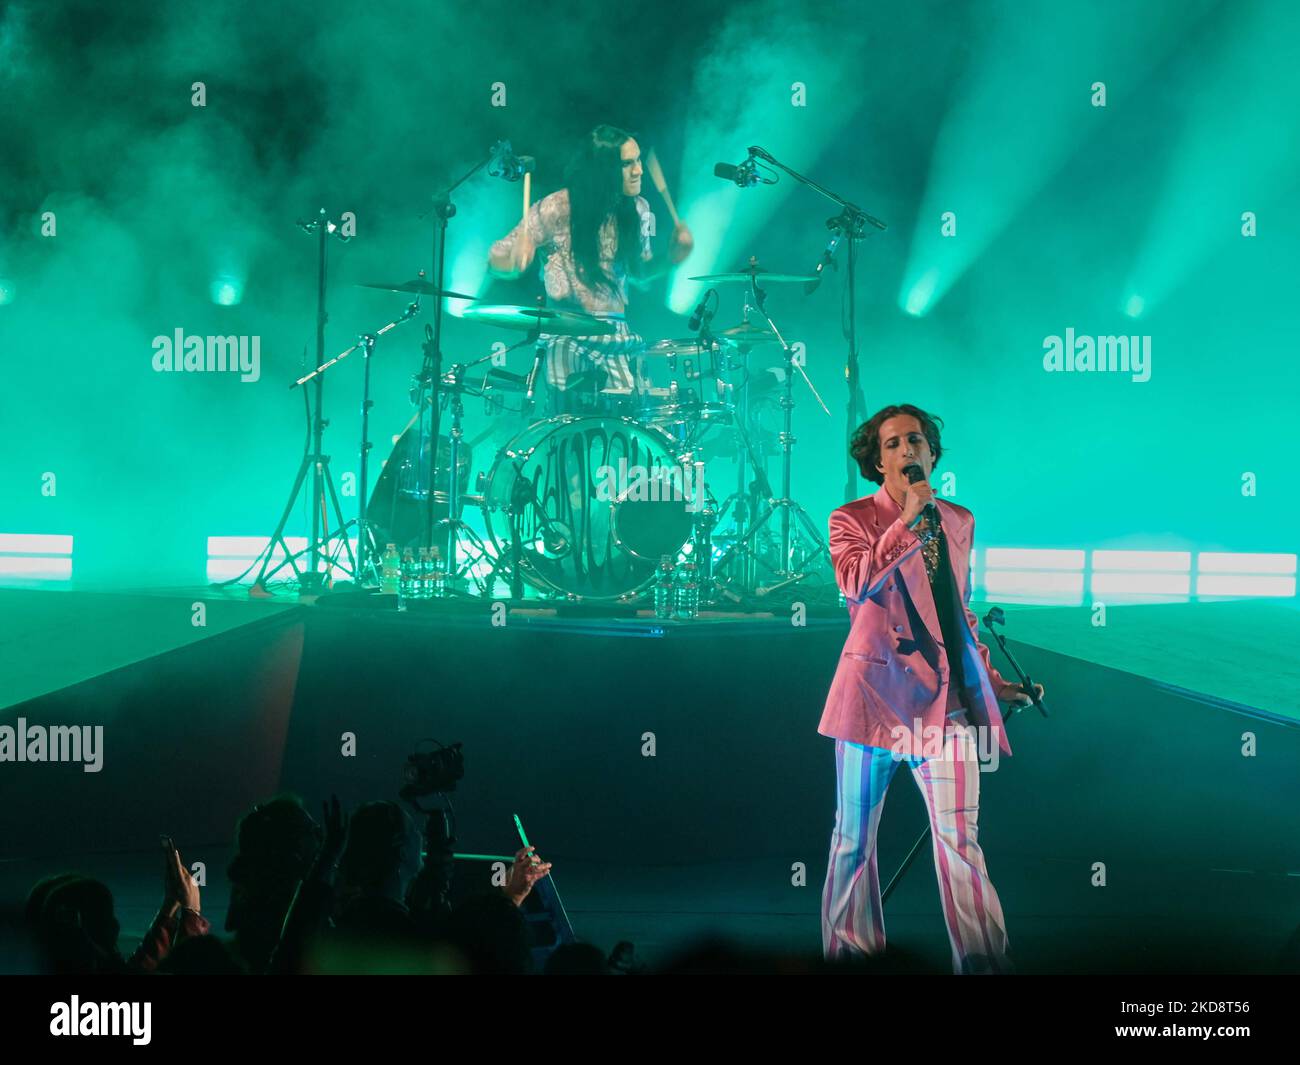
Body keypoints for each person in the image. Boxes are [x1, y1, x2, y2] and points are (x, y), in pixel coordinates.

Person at [818, 403, 1044, 975]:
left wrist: (995, 684)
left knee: (960, 844)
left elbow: (955, 611)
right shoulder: (850, 519)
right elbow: (857, 581)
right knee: (853, 842)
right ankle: (850, 960)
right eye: (890, 444)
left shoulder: (959, 519)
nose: (904, 451)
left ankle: (984, 965)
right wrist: (908, 522)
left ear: (931, 453)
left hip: (944, 708)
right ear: (877, 463)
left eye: (913, 440)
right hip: (873, 698)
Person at [487, 124, 693, 414]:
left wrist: (672, 258)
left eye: (638, 161)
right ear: (603, 169)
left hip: (615, 332)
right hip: (566, 335)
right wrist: (512, 264)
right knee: (570, 427)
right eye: (627, 164)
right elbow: (497, 258)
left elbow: (640, 273)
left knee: (630, 424)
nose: (639, 170)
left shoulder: (638, 210)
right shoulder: (556, 207)